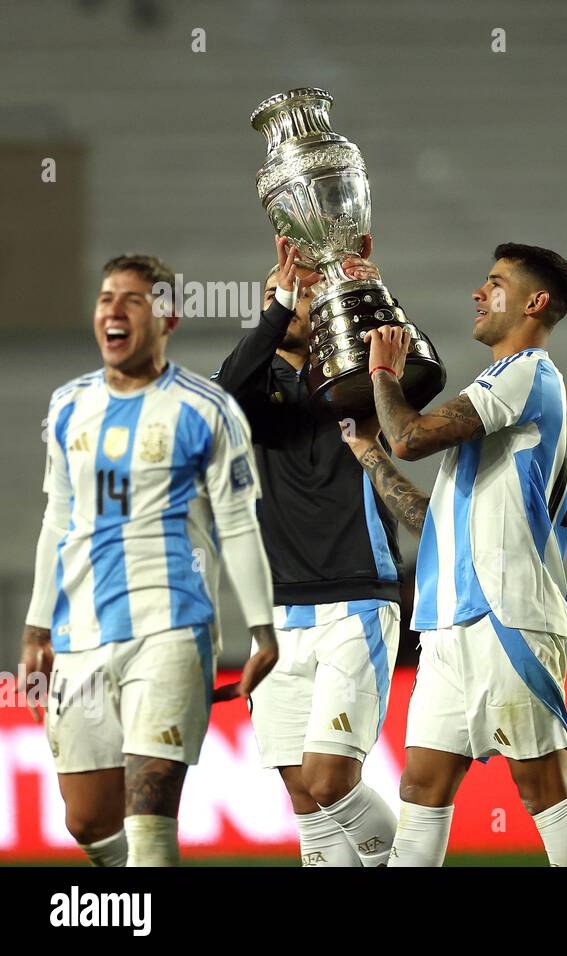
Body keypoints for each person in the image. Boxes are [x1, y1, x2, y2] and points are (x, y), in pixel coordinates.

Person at [19, 254, 278, 866]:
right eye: (106, 297)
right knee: (87, 821)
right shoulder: (68, 406)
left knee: (150, 819)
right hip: (79, 633)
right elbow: (57, 519)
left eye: (132, 299)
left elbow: (238, 522)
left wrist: (261, 627)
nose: (113, 309)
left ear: (168, 318)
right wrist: (35, 627)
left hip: (172, 628)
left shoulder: (205, 409)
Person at [359, 242, 567, 867]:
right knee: (421, 790)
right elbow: (427, 518)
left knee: (543, 789)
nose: (477, 292)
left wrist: (382, 372)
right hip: (448, 621)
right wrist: (367, 453)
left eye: (494, 282)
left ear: (533, 302)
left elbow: (411, 437)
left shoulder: (529, 374)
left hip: (507, 613)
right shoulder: (492, 391)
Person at [212, 236, 404, 867]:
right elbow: (229, 390)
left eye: (299, 292)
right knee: (302, 798)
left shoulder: (351, 378)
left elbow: (420, 375)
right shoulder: (242, 388)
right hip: (278, 615)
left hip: (356, 597)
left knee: (329, 781)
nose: (288, 301)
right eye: (275, 293)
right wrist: (280, 303)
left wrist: (369, 301)